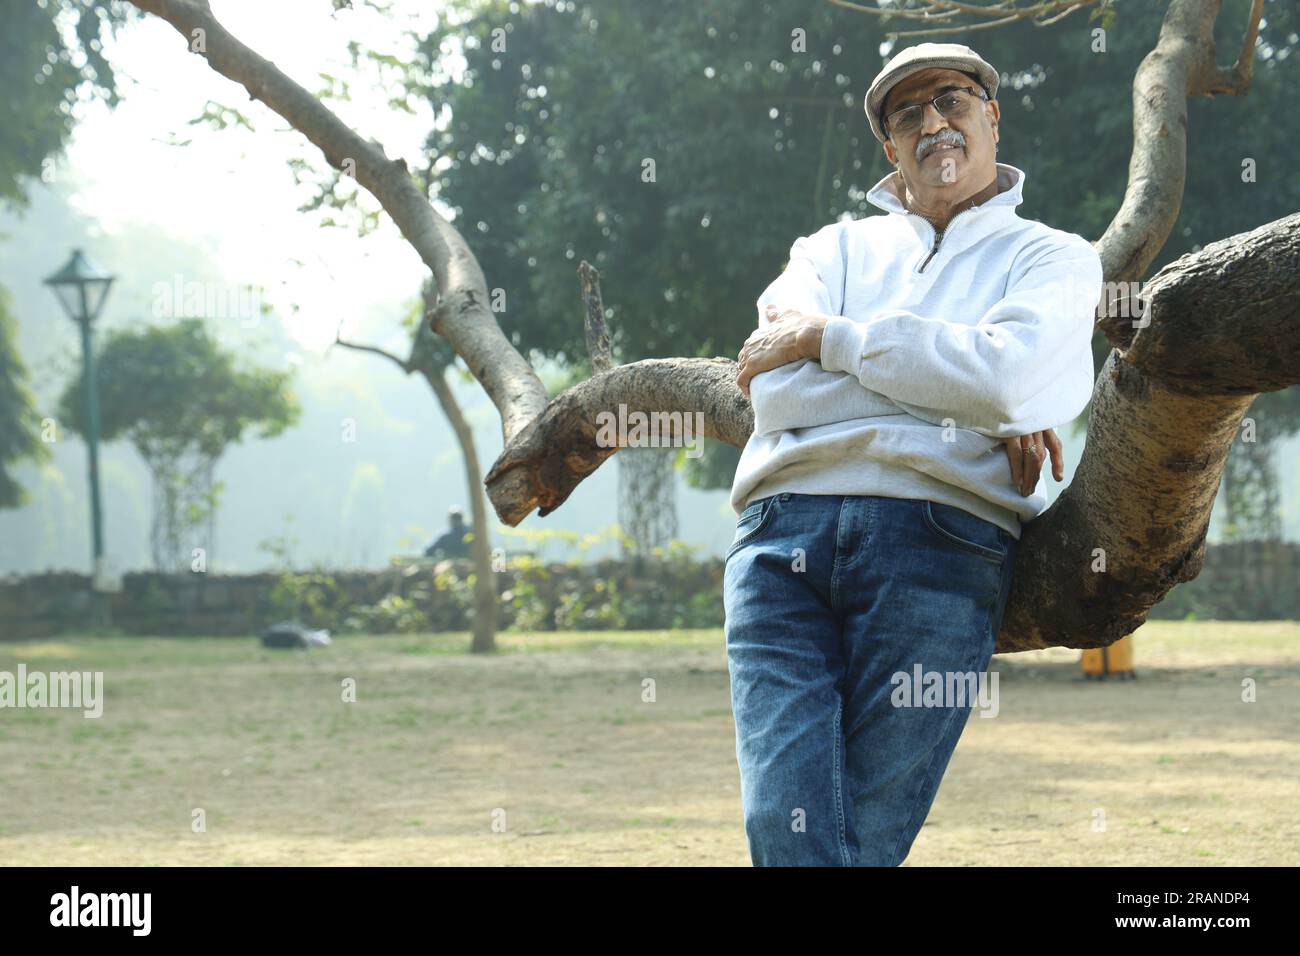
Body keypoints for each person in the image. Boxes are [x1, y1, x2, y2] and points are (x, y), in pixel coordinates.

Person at [727, 42, 1102, 866]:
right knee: (781, 827)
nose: (934, 121)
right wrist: (968, 394)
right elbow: (773, 389)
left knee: (855, 836)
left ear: (992, 117)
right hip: (777, 543)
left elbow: (1004, 380)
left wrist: (831, 340)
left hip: (937, 545)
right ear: (890, 148)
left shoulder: (1056, 258)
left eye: (954, 101)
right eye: (909, 115)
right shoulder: (828, 251)